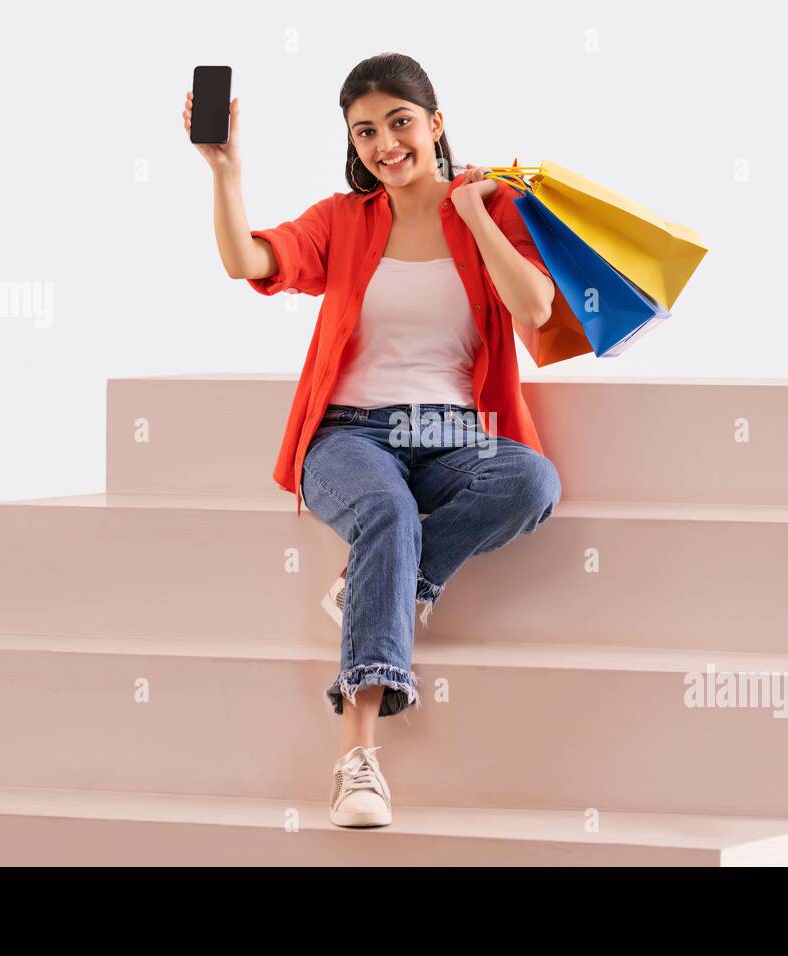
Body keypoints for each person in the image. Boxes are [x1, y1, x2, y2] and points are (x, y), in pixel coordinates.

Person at [183, 52, 561, 828]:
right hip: (349, 439)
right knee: (385, 510)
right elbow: (246, 261)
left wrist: (479, 213)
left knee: (532, 481)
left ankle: (390, 587)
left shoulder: (494, 210)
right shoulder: (342, 222)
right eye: (365, 133)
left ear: (436, 124)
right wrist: (226, 171)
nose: (385, 144)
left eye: (400, 122)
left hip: (456, 437)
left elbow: (535, 309)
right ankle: (356, 759)